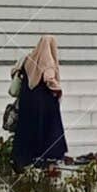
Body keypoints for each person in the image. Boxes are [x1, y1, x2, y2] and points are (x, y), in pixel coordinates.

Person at [11, 35, 66, 168]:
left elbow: (14, 71)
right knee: (47, 130)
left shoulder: (28, 58)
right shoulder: (47, 60)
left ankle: (23, 158)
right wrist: (58, 89)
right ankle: (46, 157)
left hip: (27, 101)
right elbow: (49, 78)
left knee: (26, 128)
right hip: (44, 103)